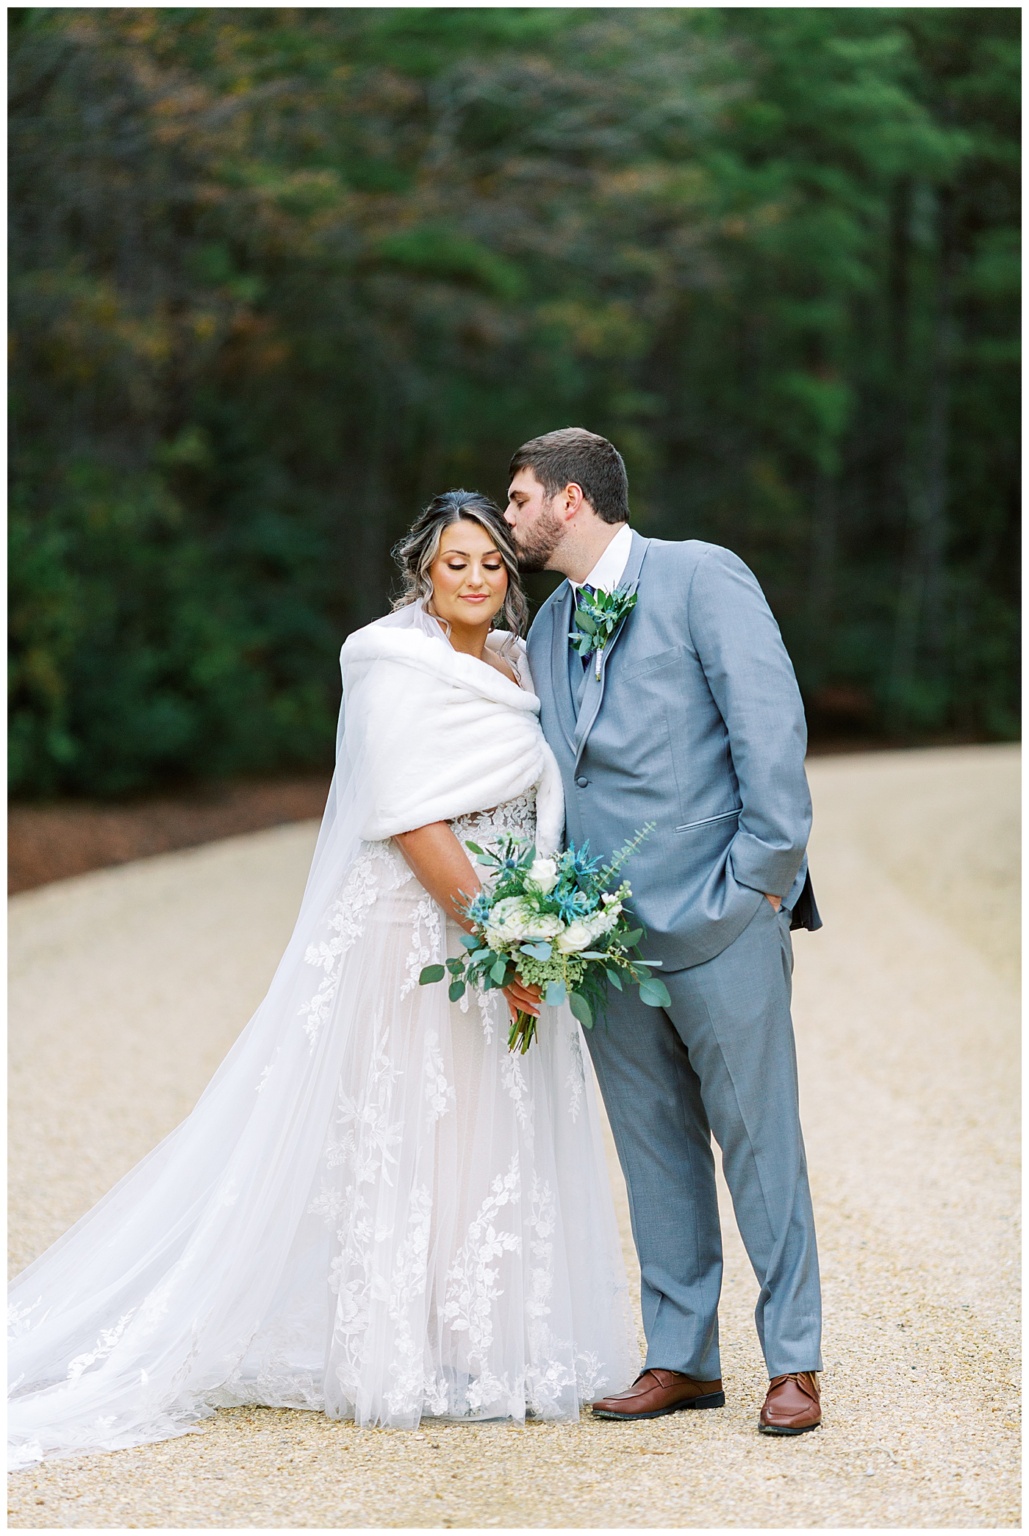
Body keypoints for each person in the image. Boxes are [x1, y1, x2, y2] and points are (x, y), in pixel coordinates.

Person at [7, 490, 638, 1470]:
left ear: (511, 579)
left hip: (513, 921)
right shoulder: (391, 664)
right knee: (413, 1130)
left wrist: (544, 925)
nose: (475, 579)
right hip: (419, 929)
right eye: (455, 562)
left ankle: (481, 1347)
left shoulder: (519, 665)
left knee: (491, 1128)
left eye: (491, 565)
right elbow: (411, 818)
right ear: (424, 573)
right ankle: (399, 1356)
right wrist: (501, 939)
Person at [505, 428, 824, 1435]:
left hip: (722, 914)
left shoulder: (700, 578)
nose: (507, 517)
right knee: (653, 1151)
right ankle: (683, 1356)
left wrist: (761, 883)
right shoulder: (550, 623)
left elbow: (767, 727)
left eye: (516, 499)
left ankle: (795, 1362)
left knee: (760, 1142)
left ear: (567, 500)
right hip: (601, 941)